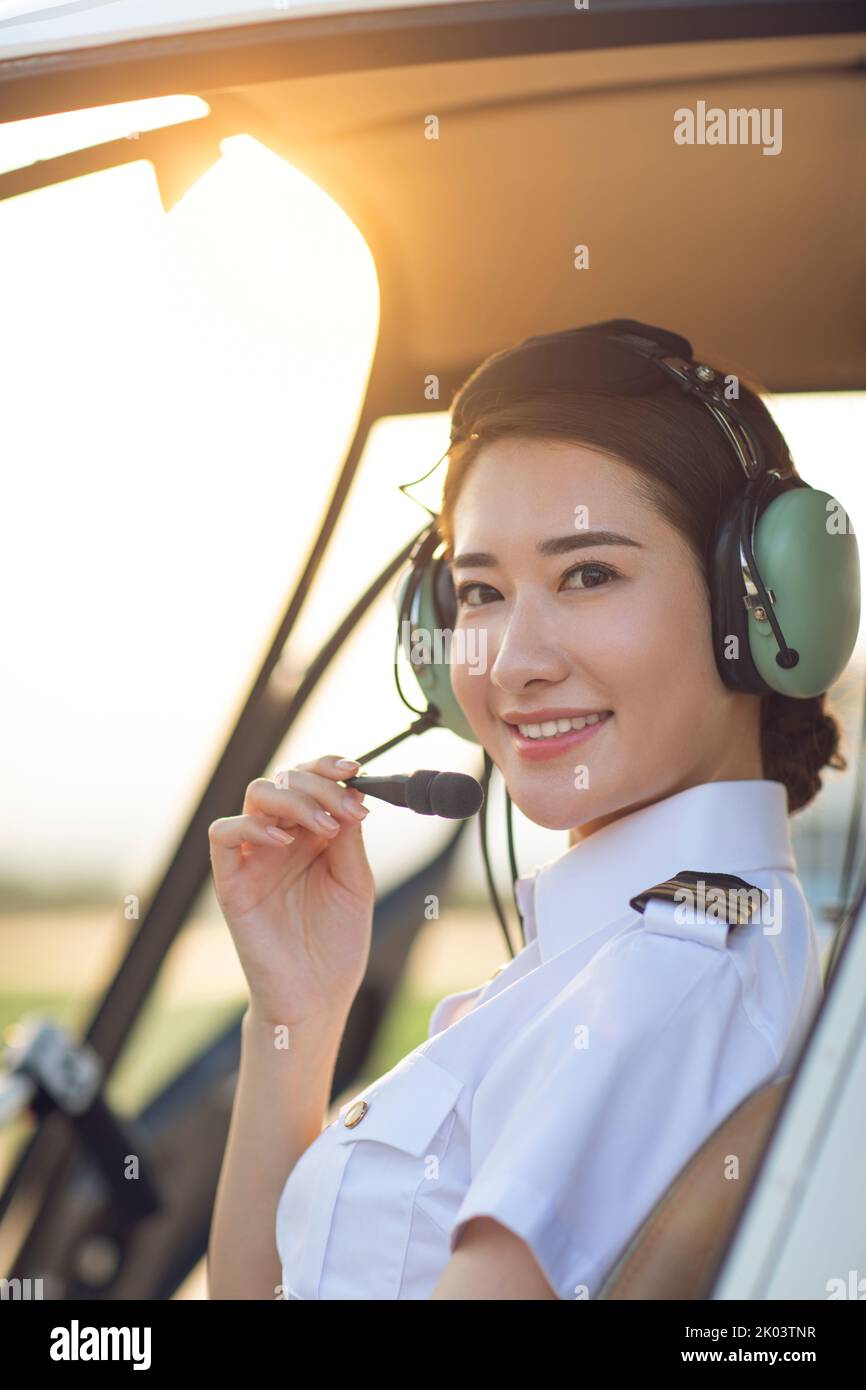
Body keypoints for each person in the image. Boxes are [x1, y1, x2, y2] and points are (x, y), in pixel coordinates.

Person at [205, 322, 848, 1300]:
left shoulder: (658, 980)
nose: (510, 661)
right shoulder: (647, 951)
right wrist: (294, 1011)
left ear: (755, 610)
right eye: (479, 591)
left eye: (587, 574)